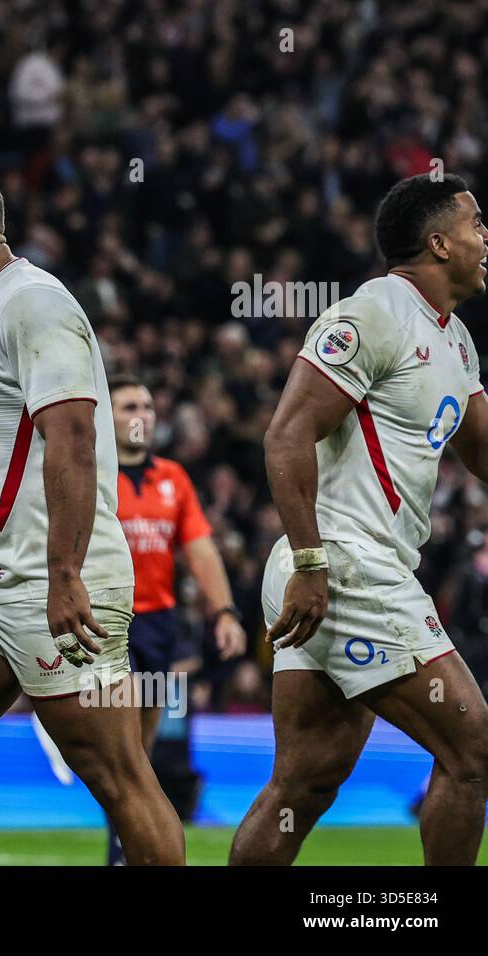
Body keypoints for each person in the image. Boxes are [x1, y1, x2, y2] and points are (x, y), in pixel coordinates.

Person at [0, 164, 184, 865]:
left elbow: (72, 438)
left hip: (51, 580)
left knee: (118, 777)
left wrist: (64, 573)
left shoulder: (35, 304)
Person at [231, 173, 488, 865]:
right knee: (473, 748)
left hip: (349, 569)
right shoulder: (373, 314)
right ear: (438, 243)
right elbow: (285, 434)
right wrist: (313, 563)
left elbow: (484, 450)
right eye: (475, 223)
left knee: (303, 785)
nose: (485, 236)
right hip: (342, 562)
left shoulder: (455, 341)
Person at [105, 375, 247, 864]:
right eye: (127, 406)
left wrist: (224, 611)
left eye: (147, 405)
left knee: (139, 753)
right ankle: (123, 850)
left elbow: (200, 549)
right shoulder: (91, 477)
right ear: (106, 417)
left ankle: (127, 849)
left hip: (158, 626)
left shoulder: (174, 478)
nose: (141, 414)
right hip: (108, 624)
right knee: (121, 750)